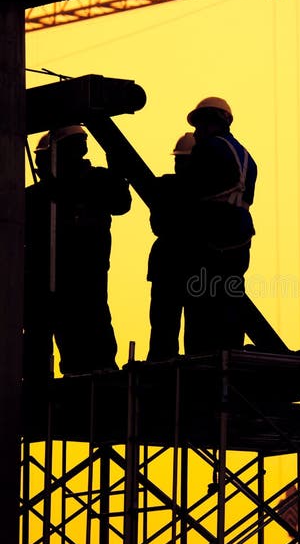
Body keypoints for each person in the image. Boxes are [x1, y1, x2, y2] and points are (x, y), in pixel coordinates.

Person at [24, 125, 132, 379]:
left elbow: (121, 203)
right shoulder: (40, 194)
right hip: (54, 283)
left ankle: (85, 390)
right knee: (47, 346)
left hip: (81, 282)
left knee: (88, 346)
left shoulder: (93, 182)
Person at [180, 96, 258, 354]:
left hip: (213, 233)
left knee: (200, 300)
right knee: (231, 297)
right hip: (240, 235)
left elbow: (190, 189)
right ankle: (230, 352)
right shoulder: (247, 157)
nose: (195, 133)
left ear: (209, 123)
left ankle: (200, 357)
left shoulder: (208, 149)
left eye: (198, 126)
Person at [146, 132, 195, 360]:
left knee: (174, 329)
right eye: (178, 160)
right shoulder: (167, 186)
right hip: (174, 266)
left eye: (183, 160)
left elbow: (158, 224)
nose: (179, 165)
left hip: (180, 265)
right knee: (164, 329)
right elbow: (157, 224)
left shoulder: (166, 187)